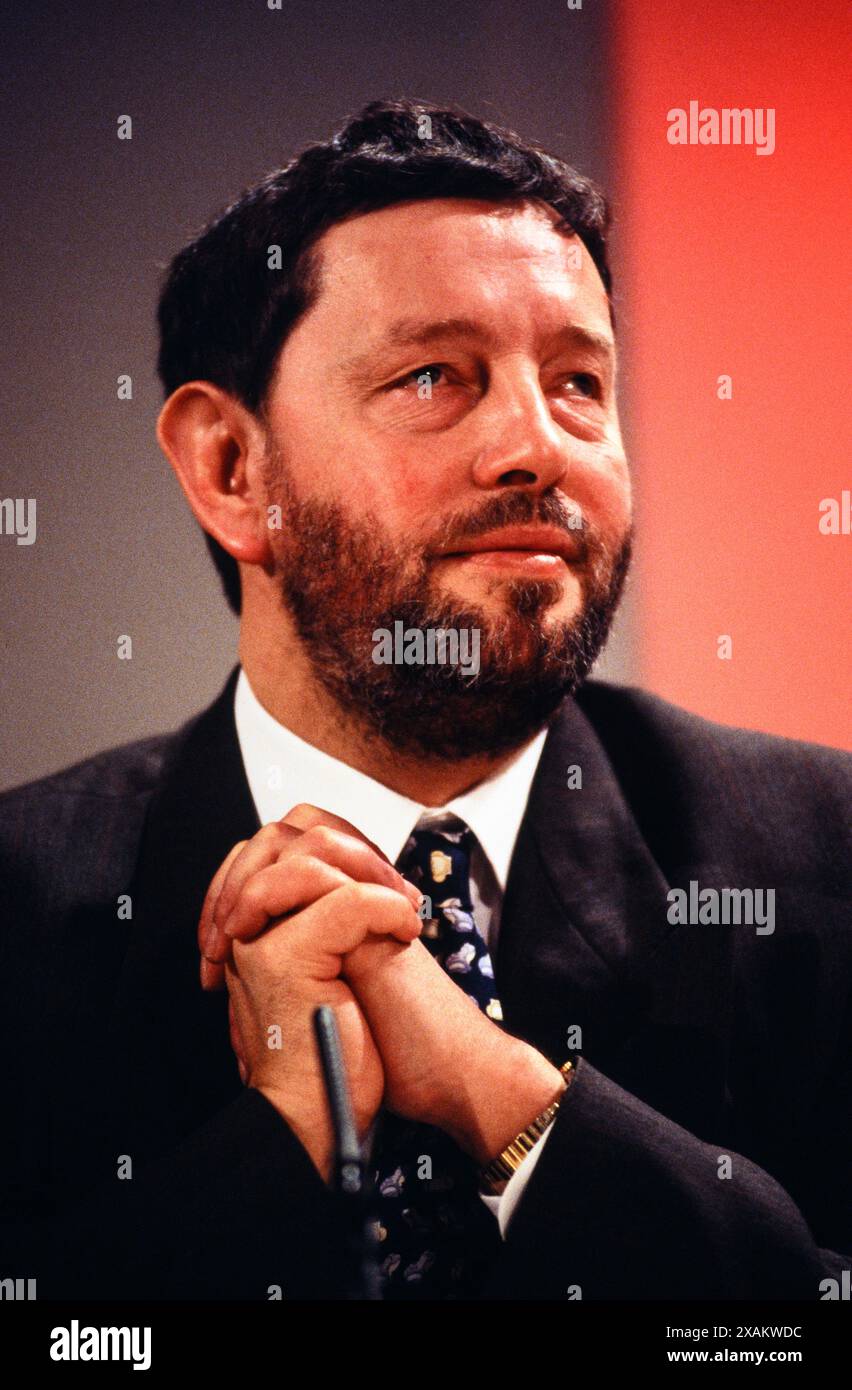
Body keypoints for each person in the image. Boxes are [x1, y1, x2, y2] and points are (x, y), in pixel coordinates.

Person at [1, 99, 849, 1302]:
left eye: (577, 382)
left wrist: (508, 1102)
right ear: (233, 470)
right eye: (434, 376)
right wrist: (281, 1143)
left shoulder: (827, 861)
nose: (535, 445)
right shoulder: (20, 916)